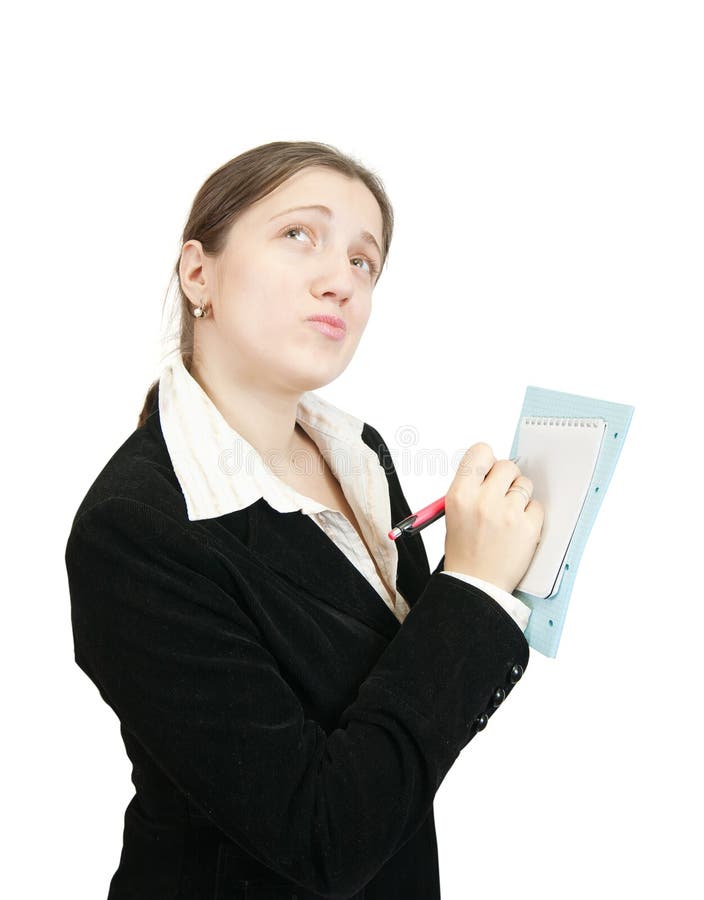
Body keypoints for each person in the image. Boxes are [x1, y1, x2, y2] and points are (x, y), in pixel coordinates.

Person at [64, 140, 543, 900]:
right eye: (300, 236)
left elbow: (400, 724)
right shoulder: (136, 529)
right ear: (199, 274)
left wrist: (487, 571)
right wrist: (474, 588)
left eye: (364, 262)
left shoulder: (361, 454)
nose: (340, 281)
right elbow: (323, 835)